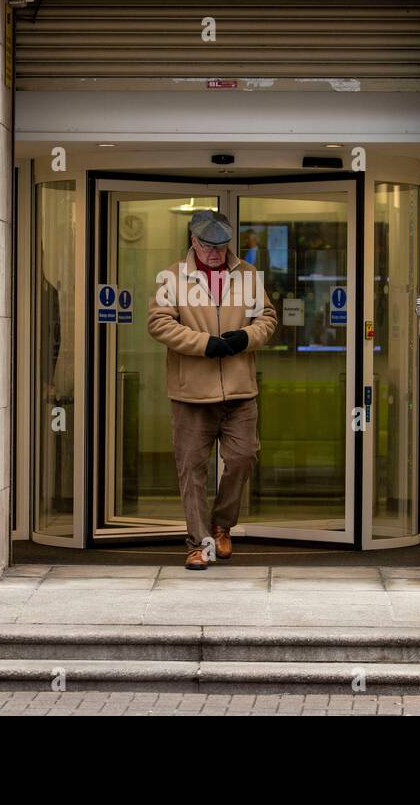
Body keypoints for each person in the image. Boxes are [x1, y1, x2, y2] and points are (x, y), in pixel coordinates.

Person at [148, 209, 278, 571]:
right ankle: (198, 543)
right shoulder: (173, 278)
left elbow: (267, 319)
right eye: (209, 246)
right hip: (191, 394)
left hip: (240, 391)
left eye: (222, 247)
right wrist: (204, 344)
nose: (216, 254)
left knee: (243, 457)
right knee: (192, 470)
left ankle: (222, 524)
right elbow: (158, 323)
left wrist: (245, 337)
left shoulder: (249, 276)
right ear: (194, 241)